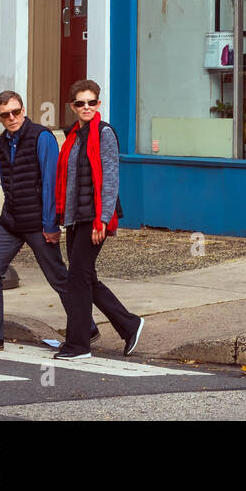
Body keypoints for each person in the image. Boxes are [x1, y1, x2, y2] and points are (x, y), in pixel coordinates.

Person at [0, 91, 99, 350]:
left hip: (38, 223)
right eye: (5, 114)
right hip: (11, 222)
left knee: (58, 277)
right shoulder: (3, 142)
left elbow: (50, 183)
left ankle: (86, 327)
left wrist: (51, 224)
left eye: (16, 111)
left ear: (23, 110)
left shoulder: (41, 137)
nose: (12, 117)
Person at [51, 79, 143, 361]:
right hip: (74, 218)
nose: (86, 107)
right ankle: (129, 324)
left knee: (77, 279)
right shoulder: (73, 136)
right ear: (73, 107)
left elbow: (111, 179)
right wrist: (58, 219)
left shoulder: (103, 134)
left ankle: (78, 344)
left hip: (94, 217)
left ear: (98, 104)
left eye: (91, 102)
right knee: (85, 277)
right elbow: (66, 181)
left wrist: (102, 220)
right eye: (80, 103)